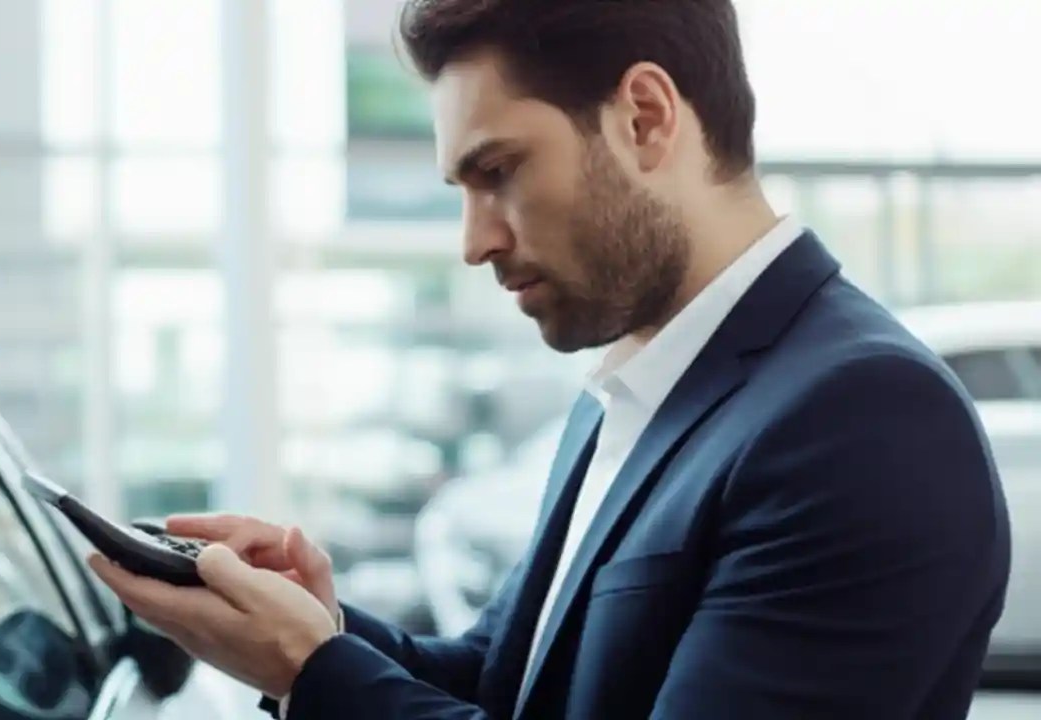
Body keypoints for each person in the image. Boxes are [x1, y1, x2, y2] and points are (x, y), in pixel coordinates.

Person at [89, 1, 1012, 717]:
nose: (473, 242)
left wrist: (314, 670)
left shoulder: (863, 420)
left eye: (498, 173)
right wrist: (314, 628)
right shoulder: (628, 390)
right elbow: (509, 679)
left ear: (645, 118)